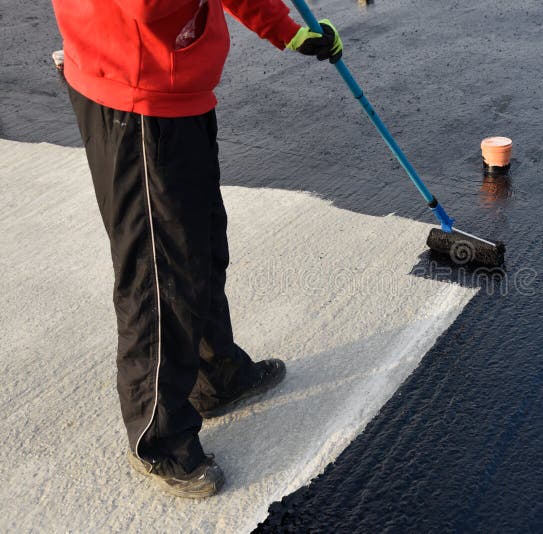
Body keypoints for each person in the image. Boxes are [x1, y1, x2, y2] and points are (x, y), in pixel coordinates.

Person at [50, 0, 343, 498]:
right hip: (133, 95)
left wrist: (286, 31)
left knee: (201, 245)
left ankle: (216, 372)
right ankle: (158, 436)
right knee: (159, 274)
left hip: (178, 86)